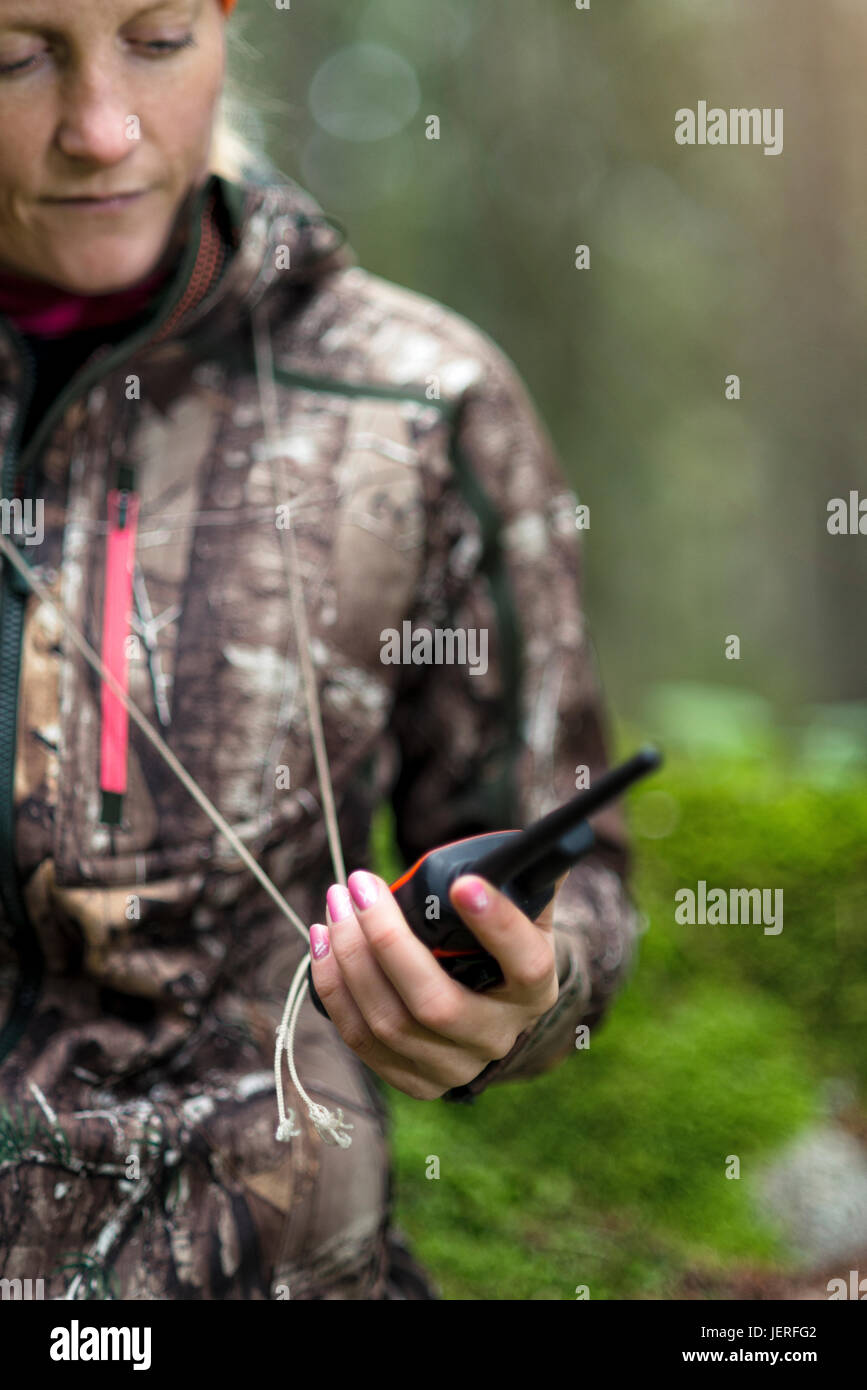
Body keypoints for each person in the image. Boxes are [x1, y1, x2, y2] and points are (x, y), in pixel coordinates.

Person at [0, 0, 638, 1300]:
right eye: (12, 55)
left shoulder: (418, 407)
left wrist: (524, 999)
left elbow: (573, 875)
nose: (102, 127)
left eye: (160, 36)